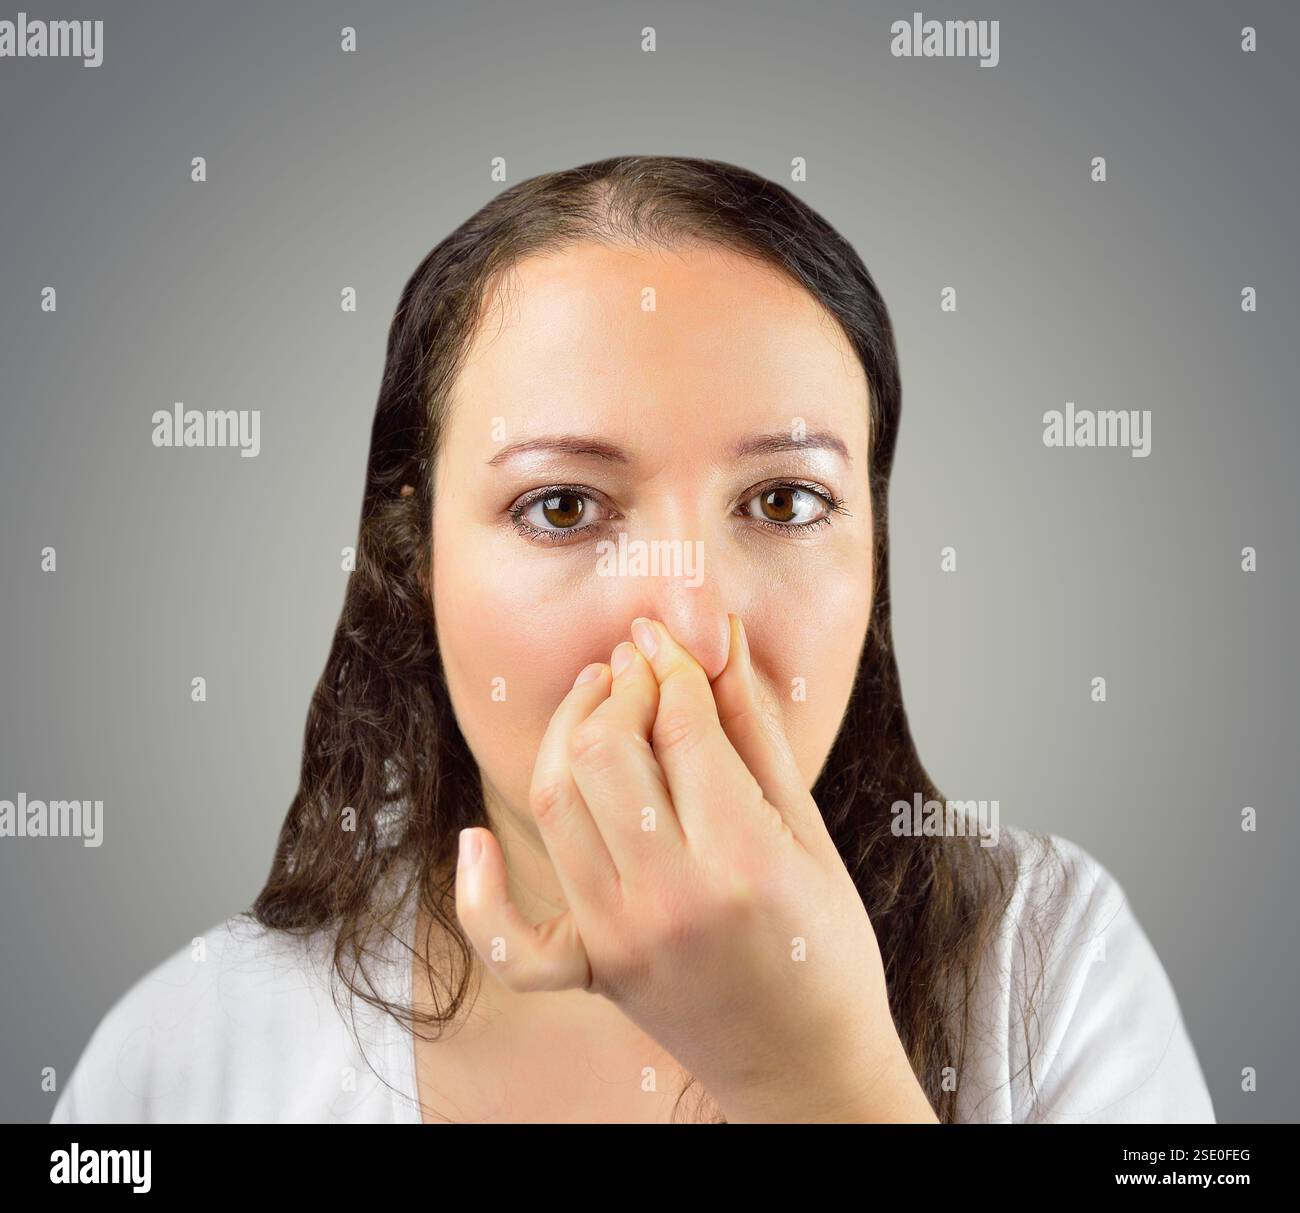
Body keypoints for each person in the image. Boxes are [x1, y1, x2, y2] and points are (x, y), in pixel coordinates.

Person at [51, 155, 1215, 1124]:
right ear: (411, 556)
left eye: (783, 502)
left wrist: (811, 1074)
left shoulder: (1047, 961)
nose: (690, 626)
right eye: (562, 506)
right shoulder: (191, 1057)